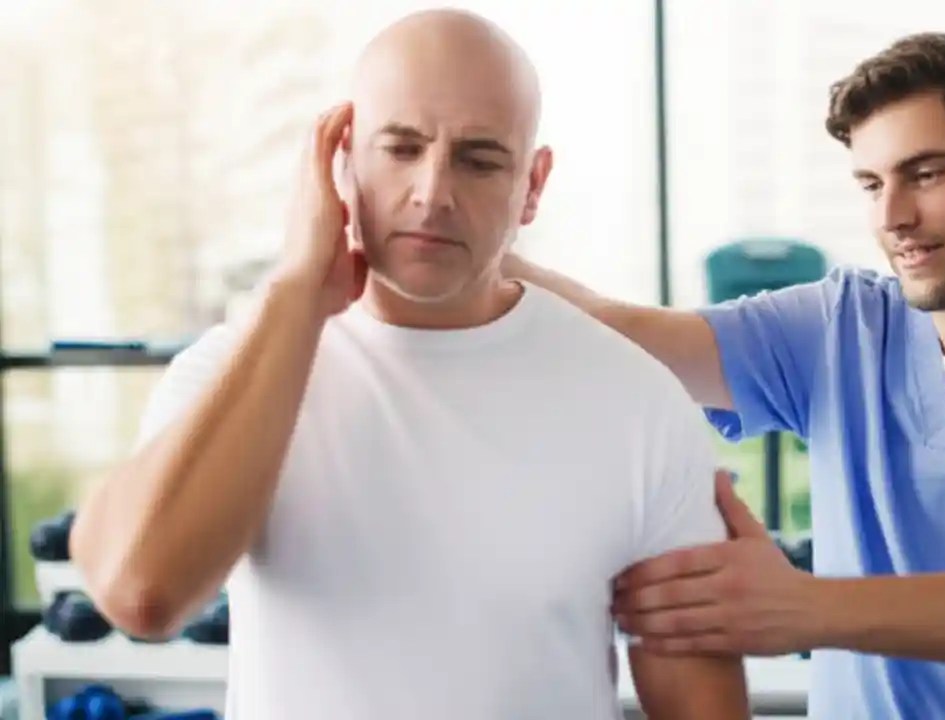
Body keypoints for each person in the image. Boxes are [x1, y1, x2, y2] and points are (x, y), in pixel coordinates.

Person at [507, 32, 945, 719]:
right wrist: (449, 243)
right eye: (871, 183)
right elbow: (615, 328)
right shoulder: (840, 327)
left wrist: (803, 606)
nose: (893, 217)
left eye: (927, 174)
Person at [68, 9, 749, 720]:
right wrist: (298, 291)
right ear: (339, 160)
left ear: (534, 184)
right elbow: (142, 592)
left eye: (479, 159)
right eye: (400, 148)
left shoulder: (632, 398)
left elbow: (699, 701)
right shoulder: (232, 374)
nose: (433, 192)